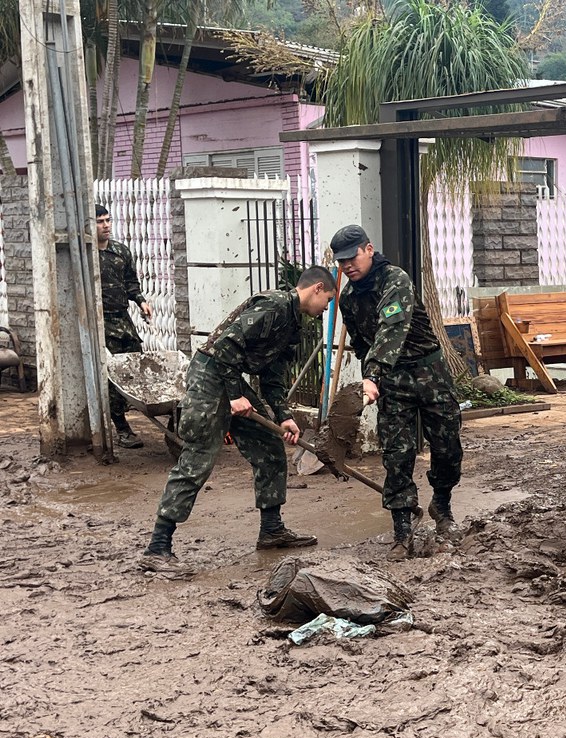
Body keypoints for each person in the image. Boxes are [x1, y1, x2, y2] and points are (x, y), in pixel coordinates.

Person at [140, 266, 337, 572]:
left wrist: (284, 416)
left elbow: (273, 376)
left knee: (269, 446)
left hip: (229, 378)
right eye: (327, 299)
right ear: (317, 288)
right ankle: (158, 547)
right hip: (210, 374)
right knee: (199, 457)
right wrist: (234, 396)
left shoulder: (293, 326)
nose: (326, 307)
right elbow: (225, 347)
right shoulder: (273, 305)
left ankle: (271, 529)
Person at [329, 224, 463, 561]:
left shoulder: (396, 280)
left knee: (447, 448)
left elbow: (392, 329)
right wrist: (371, 378)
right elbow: (362, 345)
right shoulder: (348, 298)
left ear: (369, 249)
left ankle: (441, 505)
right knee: (397, 455)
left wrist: (372, 374)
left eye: (352, 257)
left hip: (428, 371)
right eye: (341, 261)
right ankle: (402, 531)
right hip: (392, 382)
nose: (347, 266)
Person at [96, 204, 152, 449]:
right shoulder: (85, 256)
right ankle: (121, 428)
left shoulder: (120, 251)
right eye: (100, 221)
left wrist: (141, 302)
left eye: (108, 220)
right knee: (111, 376)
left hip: (122, 319)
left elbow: (131, 283)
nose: (106, 225)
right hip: (99, 322)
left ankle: (138, 411)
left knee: (136, 367)